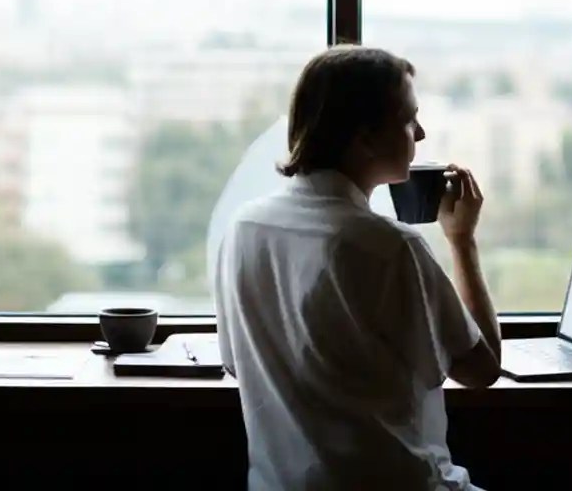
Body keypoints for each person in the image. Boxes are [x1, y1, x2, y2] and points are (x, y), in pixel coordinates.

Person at [213, 45, 503, 491]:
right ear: (365, 138)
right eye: (409, 120)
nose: (420, 133)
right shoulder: (388, 248)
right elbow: (481, 370)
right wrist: (462, 241)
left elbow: (236, 363)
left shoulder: (244, 228)